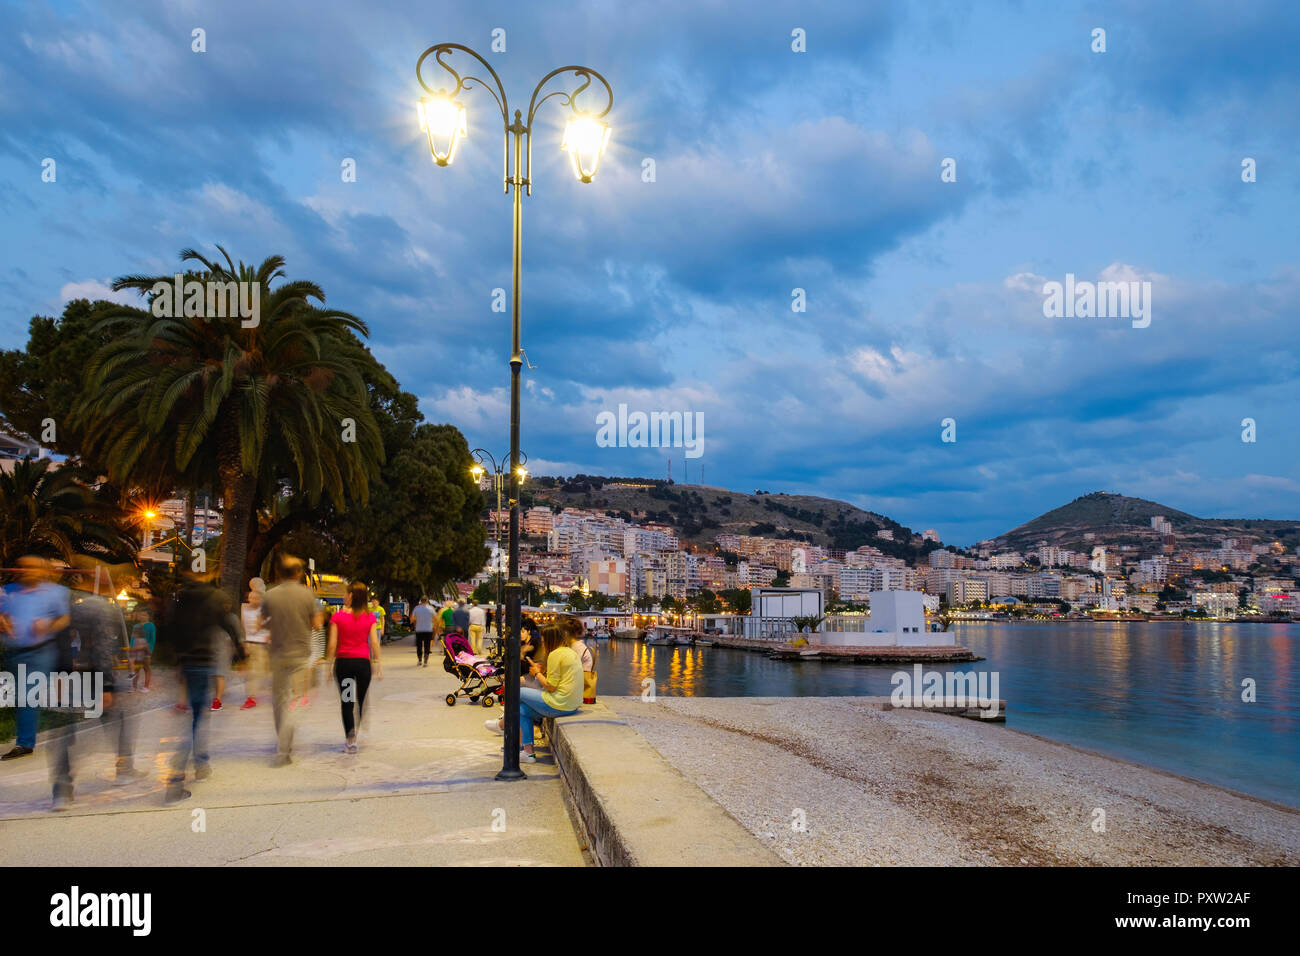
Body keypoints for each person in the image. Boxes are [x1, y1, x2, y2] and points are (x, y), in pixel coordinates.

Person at [51, 578, 141, 810]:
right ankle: (124, 767)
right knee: (118, 718)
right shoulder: (100, 607)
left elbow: (60, 645)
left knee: (63, 726)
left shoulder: (63, 605)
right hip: (91, 674)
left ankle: (62, 788)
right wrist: (107, 686)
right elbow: (101, 646)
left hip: (65, 671)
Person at [162, 571, 245, 801]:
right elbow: (228, 622)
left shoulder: (180, 598)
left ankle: (201, 764)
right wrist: (241, 650)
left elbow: (169, 628)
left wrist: (175, 660)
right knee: (197, 719)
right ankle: (178, 776)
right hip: (203, 661)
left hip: (186, 663)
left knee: (195, 715)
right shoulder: (214, 596)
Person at [0, 556, 71, 760]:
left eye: (33, 566)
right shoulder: (8, 591)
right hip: (14, 651)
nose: (28, 570)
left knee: (27, 694)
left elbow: (65, 617)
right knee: (18, 696)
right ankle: (27, 736)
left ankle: (25, 743)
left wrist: (48, 625)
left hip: (41, 651)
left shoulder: (57, 592)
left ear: (43, 570)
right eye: (23, 566)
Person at [485, 622, 583, 762]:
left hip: (559, 703)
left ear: (550, 639)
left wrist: (537, 673)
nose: (542, 643)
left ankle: (502, 724)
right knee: (521, 710)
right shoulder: (569, 652)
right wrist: (543, 670)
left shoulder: (555, 654)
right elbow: (559, 679)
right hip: (571, 704)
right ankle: (528, 753)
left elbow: (551, 686)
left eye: (543, 640)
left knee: (517, 691)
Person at [261, 555, 322, 767]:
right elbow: (317, 626)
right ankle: (285, 746)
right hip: (301, 655)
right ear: (298, 573)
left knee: (279, 702)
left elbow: (261, 623)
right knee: (296, 701)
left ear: (279, 573)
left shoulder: (270, 595)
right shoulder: (307, 596)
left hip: (277, 654)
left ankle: (283, 746)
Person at [326, 582, 382, 753]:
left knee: (347, 701)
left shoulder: (338, 617)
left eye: (346, 593)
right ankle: (356, 728)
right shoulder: (370, 617)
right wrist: (377, 662)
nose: (344, 596)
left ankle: (351, 740)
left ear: (351, 596)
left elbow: (332, 644)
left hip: (345, 665)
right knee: (361, 699)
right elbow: (374, 642)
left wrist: (329, 666)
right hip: (363, 665)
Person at [240, 578, 270, 708]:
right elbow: (243, 626)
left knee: (259, 671)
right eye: (251, 598)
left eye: (255, 598)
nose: (252, 600)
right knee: (254, 672)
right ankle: (251, 697)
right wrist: (244, 641)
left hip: (262, 644)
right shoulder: (244, 608)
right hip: (252, 643)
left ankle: (252, 695)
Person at [129, 610, 155, 692]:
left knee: (146, 668)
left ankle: (146, 687)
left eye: (144, 615)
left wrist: (149, 650)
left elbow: (152, 639)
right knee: (136, 668)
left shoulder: (151, 626)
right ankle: (134, 687)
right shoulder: (136, 626)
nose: (142, 617)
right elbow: (132, 639)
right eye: (141, 615)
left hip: (146, 650)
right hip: (136, 650)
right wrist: (131, 648)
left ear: (148, 616)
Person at [411, 596, 435, 667]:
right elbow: (435, 619)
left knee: (419, 645)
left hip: (419, 629)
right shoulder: (431, 608)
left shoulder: (416, 608)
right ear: (427, 601)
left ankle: (420, 660)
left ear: (420, 601)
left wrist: (416, 623)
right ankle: (425, 661)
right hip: (428, 629)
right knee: (427, 645)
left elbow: (412, 619)